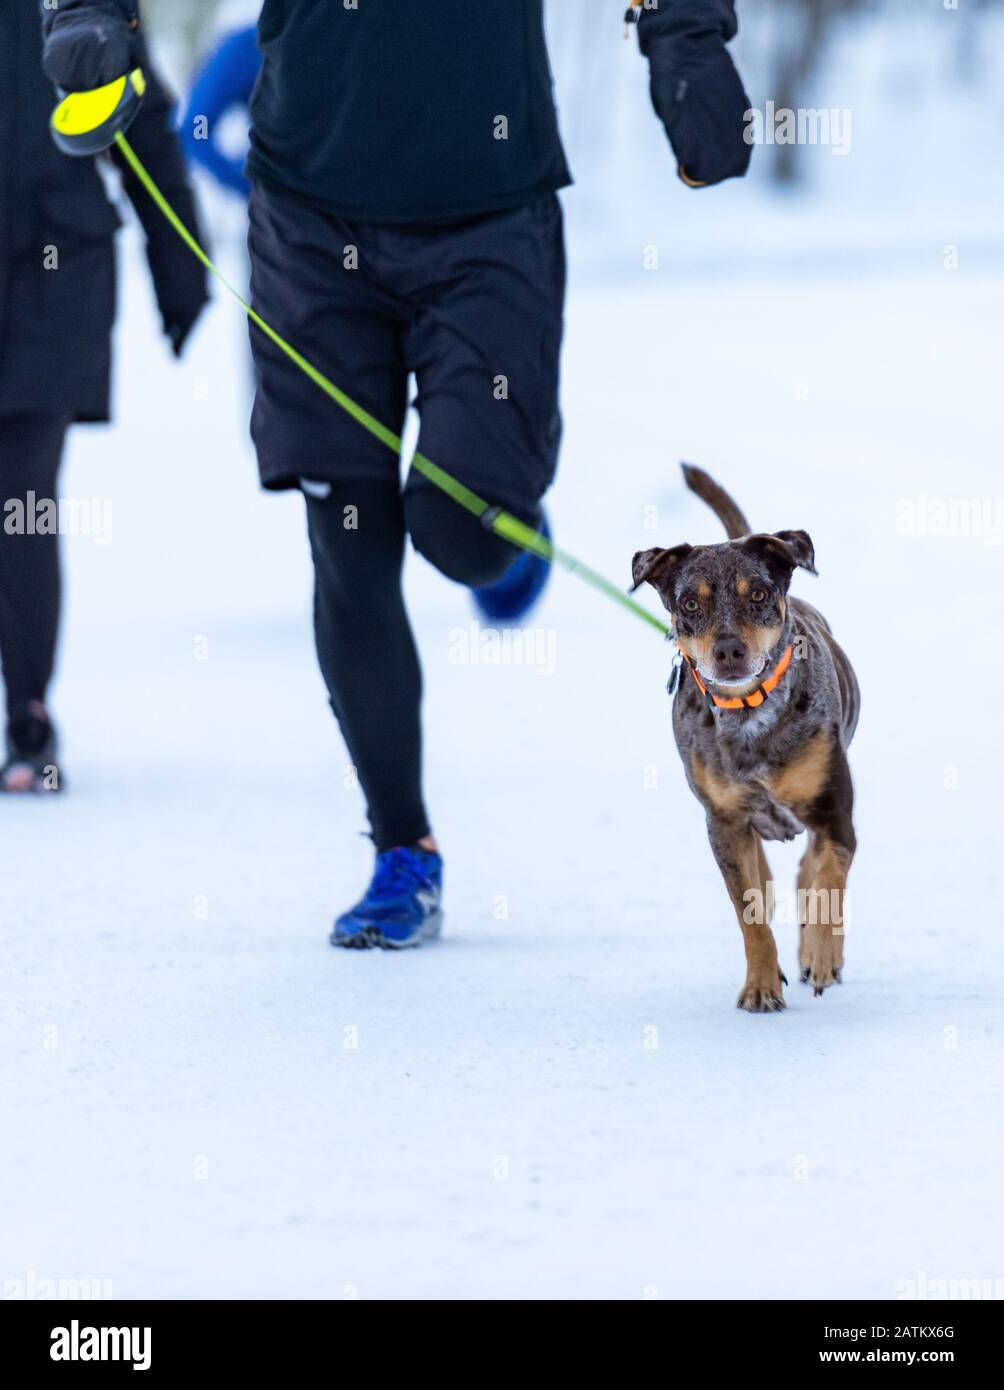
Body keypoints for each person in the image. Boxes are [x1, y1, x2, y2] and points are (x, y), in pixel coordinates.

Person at [41, 0, 751, 942]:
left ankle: (510, 538)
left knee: (457, 526)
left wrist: (686, 36)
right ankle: (402, 851)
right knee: (349, 541)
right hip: (308, 213)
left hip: (489, 212)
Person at [0, 2, 207, 792]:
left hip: (53, 280)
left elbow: (141, 116)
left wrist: (179, 267)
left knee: (23, 500)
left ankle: (28, 716)